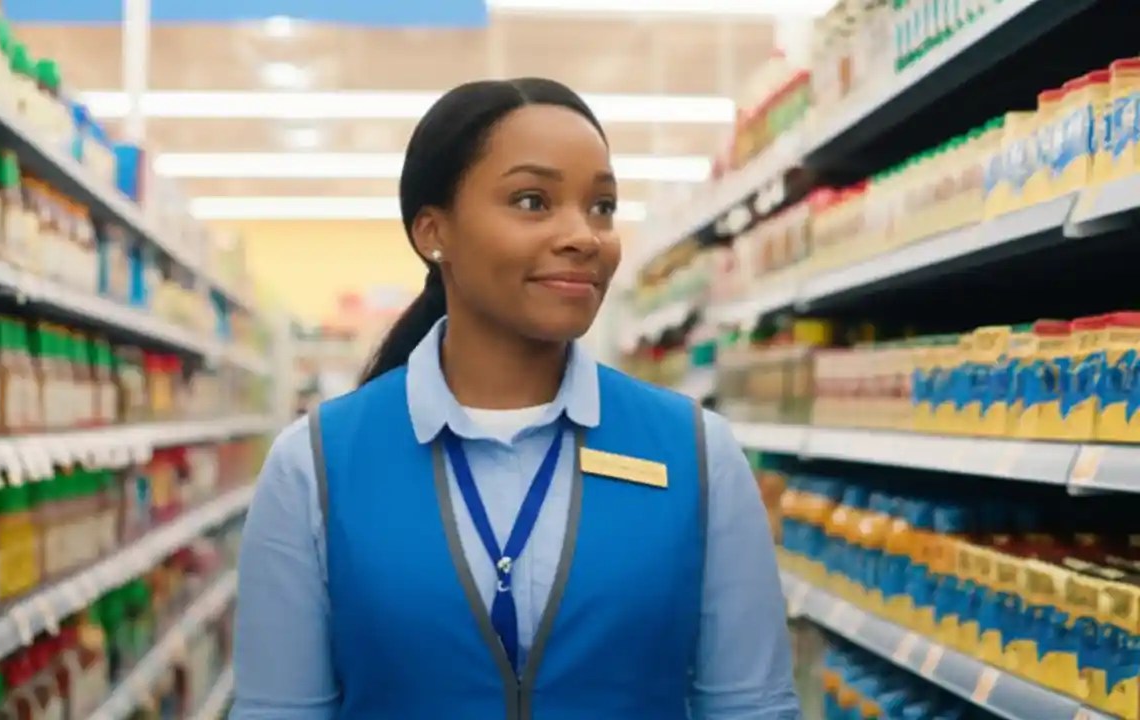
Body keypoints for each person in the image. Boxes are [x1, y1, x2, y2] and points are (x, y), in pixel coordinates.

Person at [230, 77, 800, 720]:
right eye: (533, 200)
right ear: (432, 232)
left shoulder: (697, 453)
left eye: (602, 206)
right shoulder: (316, 466)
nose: (584, 235)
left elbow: (752, 708)